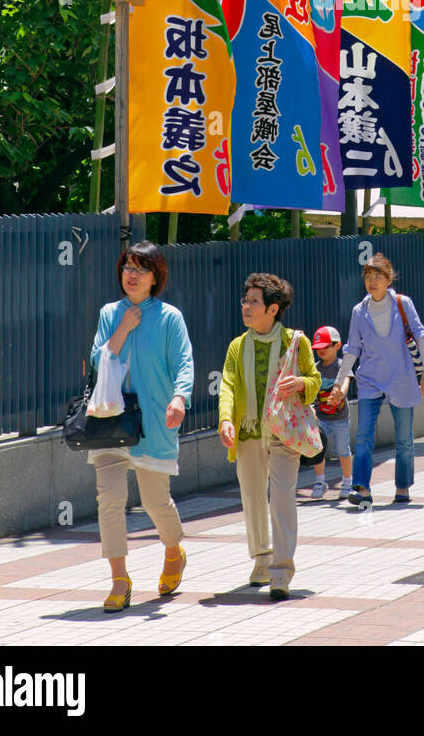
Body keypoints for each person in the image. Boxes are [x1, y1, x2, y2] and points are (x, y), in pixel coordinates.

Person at [89, 241, 194, 612]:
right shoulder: (109, 313)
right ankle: (120, 579)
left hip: (154, 420)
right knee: (110, 501)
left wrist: (180, 397)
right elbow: (96, 360)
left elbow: (184, 362)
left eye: (140, 269)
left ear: (155, 278)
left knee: (155, 501)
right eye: (127, 268)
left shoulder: (169, 318)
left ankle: (173, 550)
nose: (131, 275)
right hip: (110, 420)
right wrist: (122, 328)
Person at [218, 273, 320, 600]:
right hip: (248, 433)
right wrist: (225, 420)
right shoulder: (238, 345)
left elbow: (315, 379)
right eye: (245, 300)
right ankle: (262, 558)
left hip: (283, 432)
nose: (246, 307)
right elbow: (228, 386)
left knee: (282, 497)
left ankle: (281, 572)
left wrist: (302, 384)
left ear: (272, 309)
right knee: (251, 497)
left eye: (253, 302)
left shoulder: (296, 341)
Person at [330, 253, 424, 508]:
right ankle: (361, 488)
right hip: (370, 379)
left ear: (388, 279)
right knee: (364, 434)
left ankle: (402, 486)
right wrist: (339, 384)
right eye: (368, 277)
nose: (372, 281)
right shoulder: (359, 310)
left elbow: (419, 336)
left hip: (402, 376)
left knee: (404, 438)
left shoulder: (402, 303)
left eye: (377, 277)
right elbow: (352, 348)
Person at [310, 326, 353, 499]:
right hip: (321, 418)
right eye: (318, 348)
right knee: (318, 450)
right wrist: (311, 407)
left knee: (343, 450)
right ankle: (320, 481)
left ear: (337, 346)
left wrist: (341, 392)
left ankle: (348, 482)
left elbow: (346, 380)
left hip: (340, 418)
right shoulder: (315, 368)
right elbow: (311, 389)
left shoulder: (341, 365)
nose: (321, 351)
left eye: (325, 347)